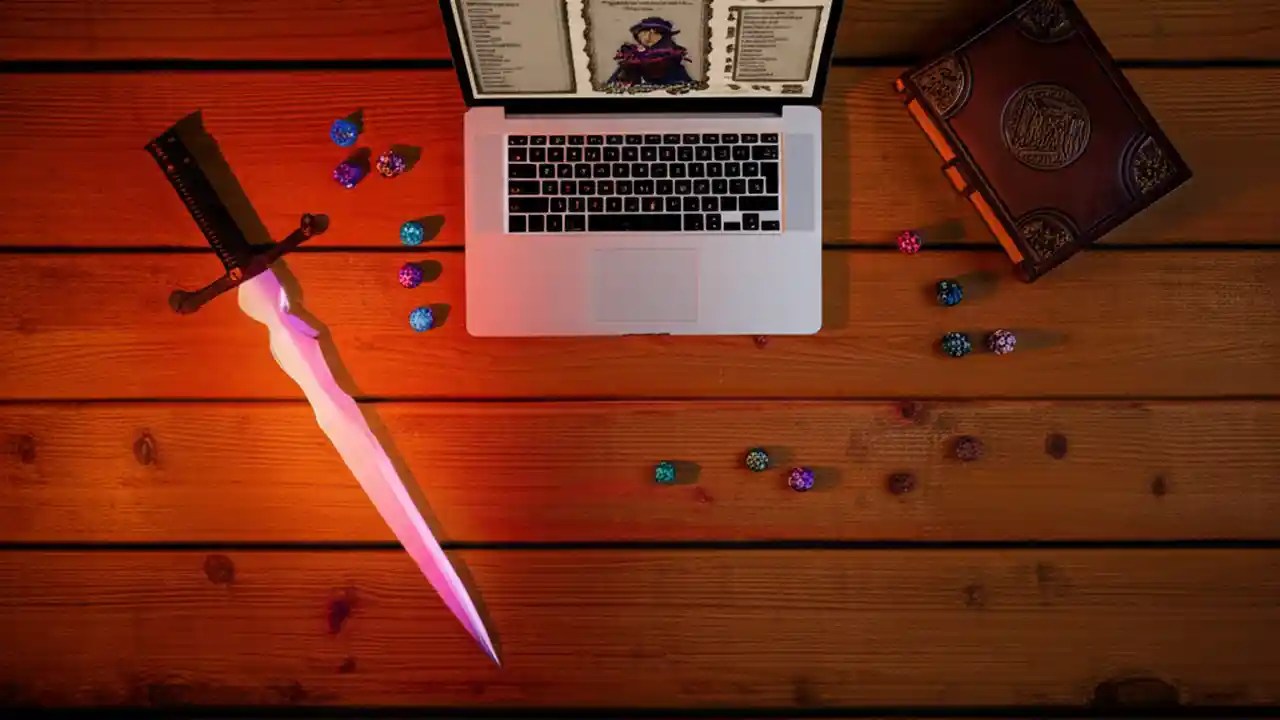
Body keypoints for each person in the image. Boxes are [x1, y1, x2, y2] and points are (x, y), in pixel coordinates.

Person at [606, 17, 693, 88]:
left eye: (655, 32)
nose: (646, 37)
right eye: (642, 33)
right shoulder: (633, 57)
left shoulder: (670, 57)